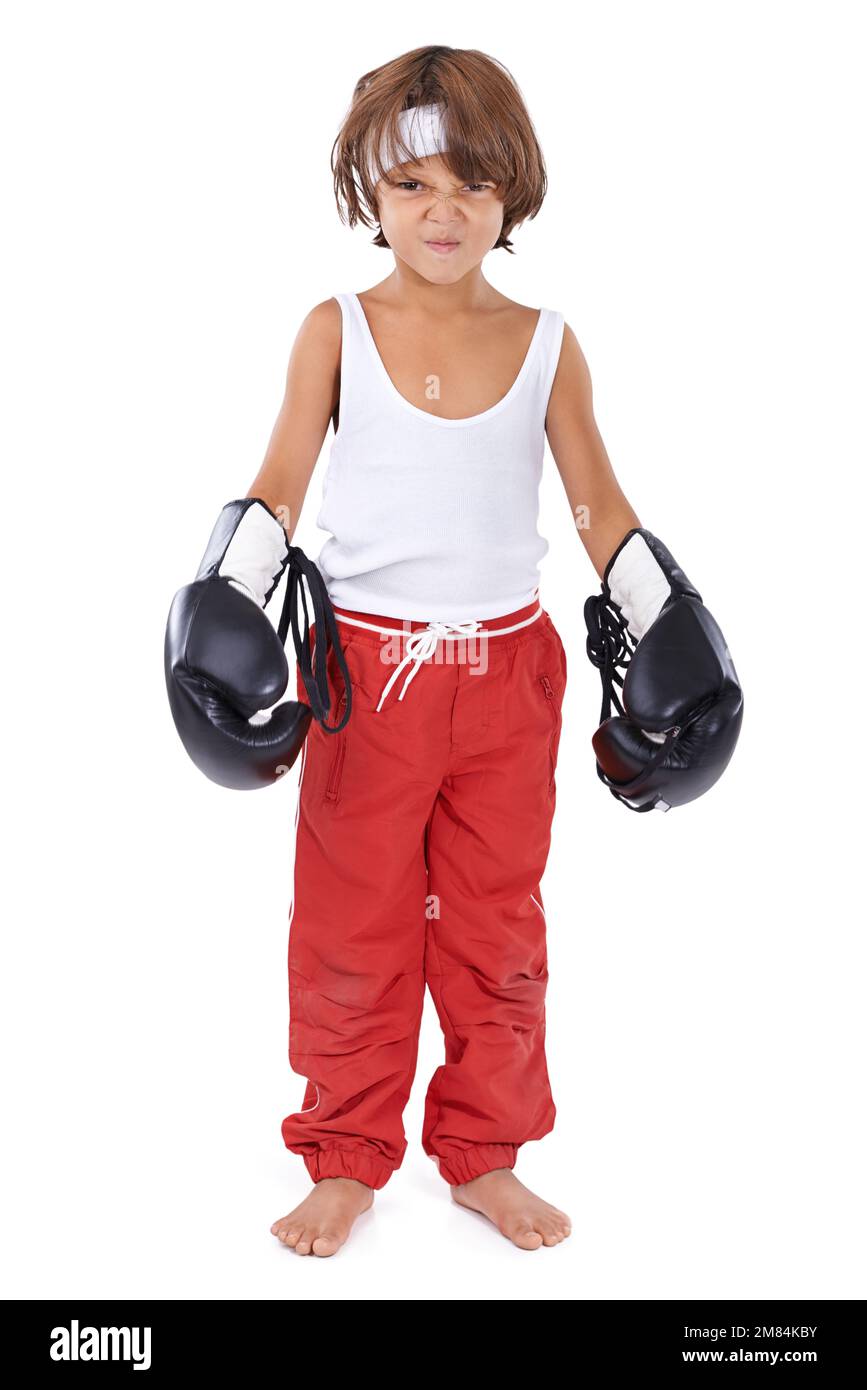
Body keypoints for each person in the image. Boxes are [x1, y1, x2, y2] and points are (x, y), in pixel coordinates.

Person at [169, 45, 739, 1258]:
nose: (443, 210)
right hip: (365, 679)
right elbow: (280, 485)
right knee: (351, 923)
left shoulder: (547, 342)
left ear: (510, 195)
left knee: (496, 927)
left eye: (470, 184)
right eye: (415, 183)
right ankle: (345, 1154)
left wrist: (674, 622)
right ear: (372, 193)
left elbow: (598, 510)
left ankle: (484, 1153)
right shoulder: (337, 329)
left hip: (509, 679)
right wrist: (224, 598)